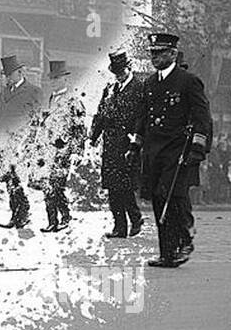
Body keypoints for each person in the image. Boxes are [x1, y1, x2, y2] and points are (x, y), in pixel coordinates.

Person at [133, 32, 213, 267]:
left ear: (172, 54)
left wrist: (198, 148)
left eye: (159, 53)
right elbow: (143, 117)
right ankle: (167, 252)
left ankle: (185, 238)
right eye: (152, 53)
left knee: (174, 195)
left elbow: (202, 117)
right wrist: (135, 144)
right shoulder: (149, 83)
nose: (154, 58)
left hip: (178, 150)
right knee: (158, 199)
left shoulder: (188, 81)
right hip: (154, 151)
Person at [89, 49, 146, 237]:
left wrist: (135, 143)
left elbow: (140, 118)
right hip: (110, 144)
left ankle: (135, 219)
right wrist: (93, 136)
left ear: (129, 68)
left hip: (127, 144)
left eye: (122, 72)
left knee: (125, 186)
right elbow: (101, 113)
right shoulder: (110, 89)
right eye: (116, 73)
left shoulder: (138, 88)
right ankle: (119, 227)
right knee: (113, 188)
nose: (119, 76)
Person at [30, 61, 86, 232]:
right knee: (48, 185)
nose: (54, 82)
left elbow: (81, 128)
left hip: (63, 152)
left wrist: (77, 151)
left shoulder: (73, 101)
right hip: (48, 152)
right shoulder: (51, 99)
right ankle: (52, 221)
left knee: (57, 185)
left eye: (57, 78)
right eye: (52, 79)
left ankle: (66, 217)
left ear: (65, 80)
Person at [0, 53, 41, 230]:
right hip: (4, 143)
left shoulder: (33, 91)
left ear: (20, 72)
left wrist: (29, 143)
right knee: (9, 180)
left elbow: (35, 119)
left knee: (18, 180)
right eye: (5, 75)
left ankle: (24, 213)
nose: (7, 78)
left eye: (10, 74)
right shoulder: (5, 91)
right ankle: (15, 214)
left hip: (20, 143)